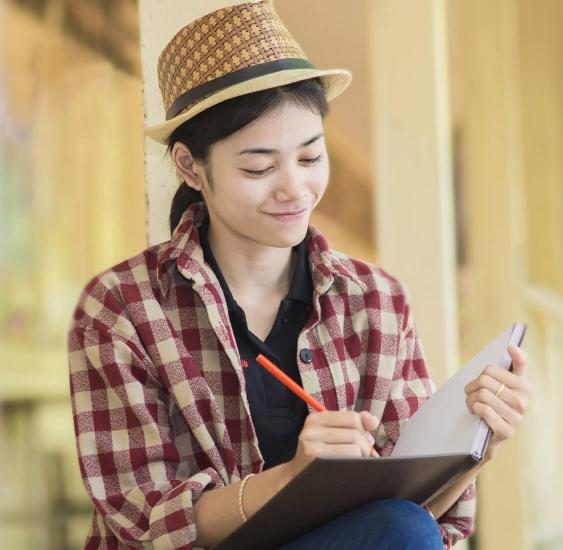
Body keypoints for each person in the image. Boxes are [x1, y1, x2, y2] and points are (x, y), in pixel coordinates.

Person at [67, 2, 531, 549]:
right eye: (259, 168)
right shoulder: (122, 310)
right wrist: (290, 480)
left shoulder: (376, 301)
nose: (294, 190)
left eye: (310, 158)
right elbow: (145, 526)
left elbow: (412, 520)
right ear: (191, 167)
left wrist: (474, 446)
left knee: (403, 526)